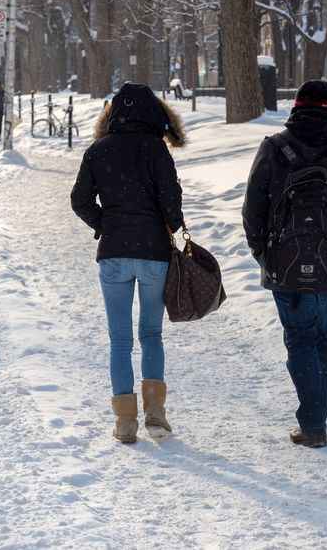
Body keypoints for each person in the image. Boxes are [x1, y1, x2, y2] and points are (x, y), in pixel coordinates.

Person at [242, 80, 327, 449]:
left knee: (300, 339)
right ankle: (318, 410)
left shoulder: (274, 150)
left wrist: (266, 257)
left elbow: (253, 213)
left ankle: (314, 421)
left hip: (285, 267)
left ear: (295, 107)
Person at [70, 83, 186, 444]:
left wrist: (105, 224)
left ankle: (124, 421)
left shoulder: (98, 151)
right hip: (153, 254)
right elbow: (172, 203)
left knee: (119, 340)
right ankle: (155, 414)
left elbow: (79, 199)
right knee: (151, 334)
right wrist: (170, 226)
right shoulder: (156, 149)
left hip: (114, 254)